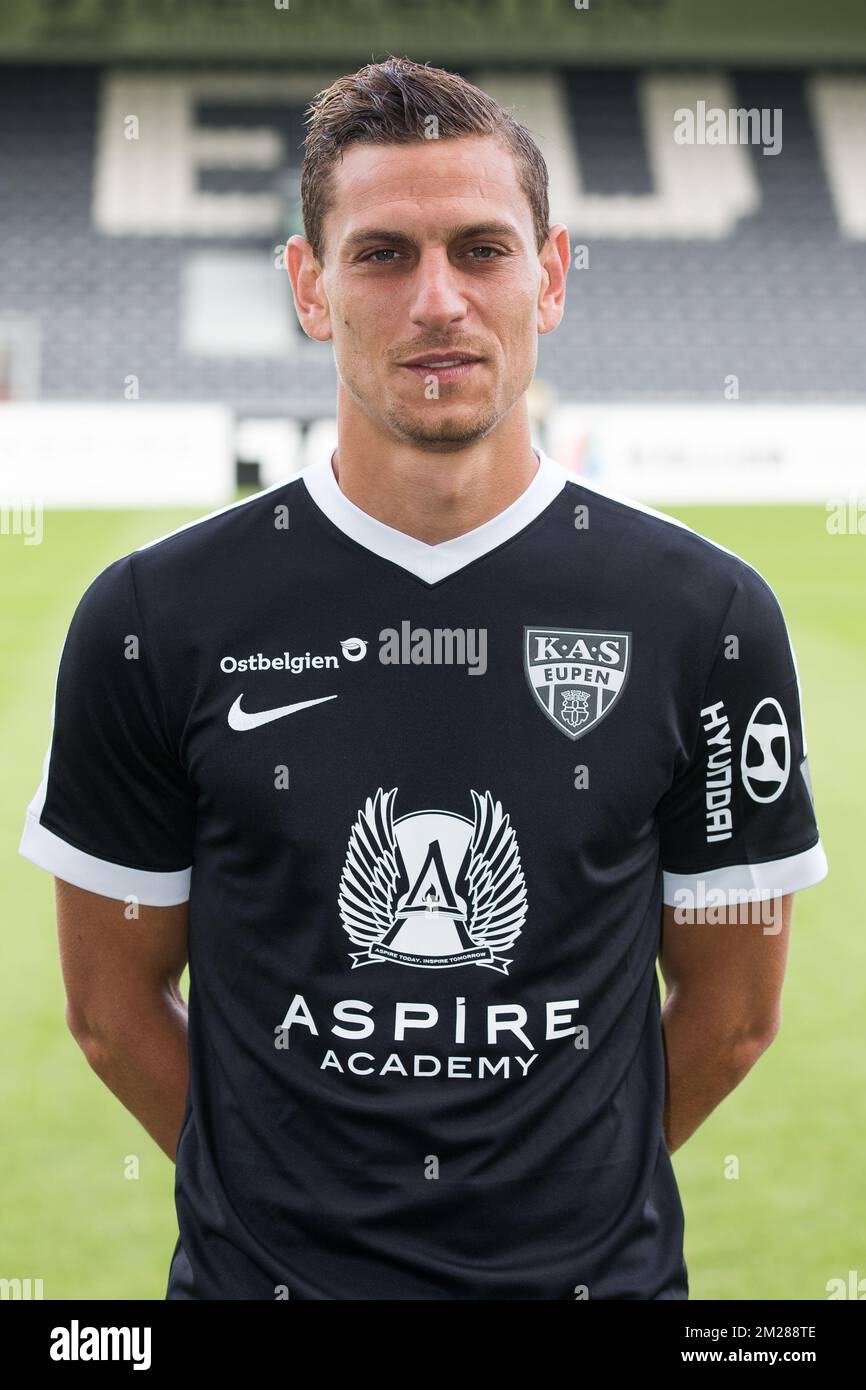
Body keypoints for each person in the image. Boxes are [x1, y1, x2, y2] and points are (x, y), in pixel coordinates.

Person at [19, 57, 828, 1300]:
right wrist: (290, 1220)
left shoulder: (704, 618)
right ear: (308, 283)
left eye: (482, 250)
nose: (437, 300)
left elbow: (730, 1014)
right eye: (383, 253)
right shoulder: (150, 620)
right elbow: (109, 1006)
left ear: (549, 276)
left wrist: (556, 1203)